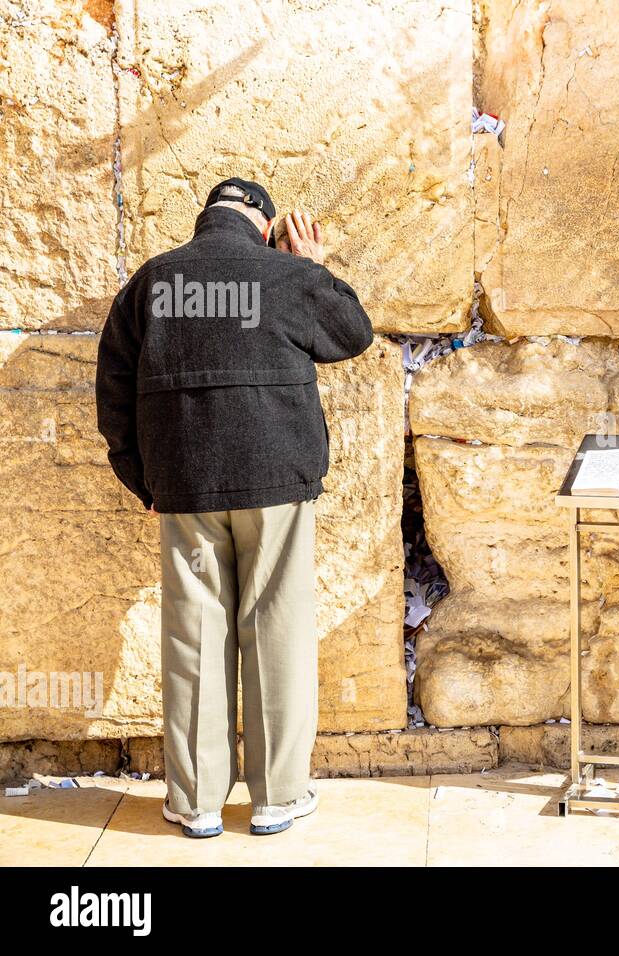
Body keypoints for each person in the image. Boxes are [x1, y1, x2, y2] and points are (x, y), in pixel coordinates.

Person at [96, 178, 374, 837]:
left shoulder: (153, 282)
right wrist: (307, 265)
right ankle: (278, 795)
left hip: (186, 486)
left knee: (194, 636)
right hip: (277, 482)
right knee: (276, 630)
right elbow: (353, 332)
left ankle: (195, 804)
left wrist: (144, 480)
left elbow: (113, 390)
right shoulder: (284, 274)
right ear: (263, 222)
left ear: (208, 217)